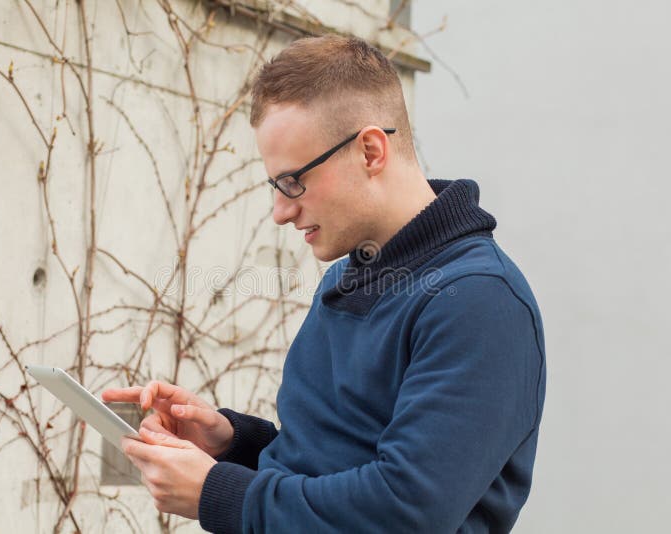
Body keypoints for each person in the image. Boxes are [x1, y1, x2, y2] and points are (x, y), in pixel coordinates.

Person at [102, 35, 546, 533]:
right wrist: (232, 444)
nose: (281, 211)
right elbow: (330, 464)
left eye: (294, 181)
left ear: (371, 150)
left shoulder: (479, 301)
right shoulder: (349, 276)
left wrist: (218, 492)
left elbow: (402, 513)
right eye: (276, 186)